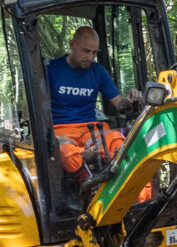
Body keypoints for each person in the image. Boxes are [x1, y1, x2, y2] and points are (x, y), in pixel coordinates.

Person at [46, 25, 140, 195]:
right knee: (64, 150)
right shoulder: (52, 69)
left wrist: (129, 100)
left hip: (90, 131)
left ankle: (125, 192)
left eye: (94, 53)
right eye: (86, 51)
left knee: (117, 141)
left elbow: (119, 104)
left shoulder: (98, 72)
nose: (90, 57)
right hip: (61, 132)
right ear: (72, 44)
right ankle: (91, 188)